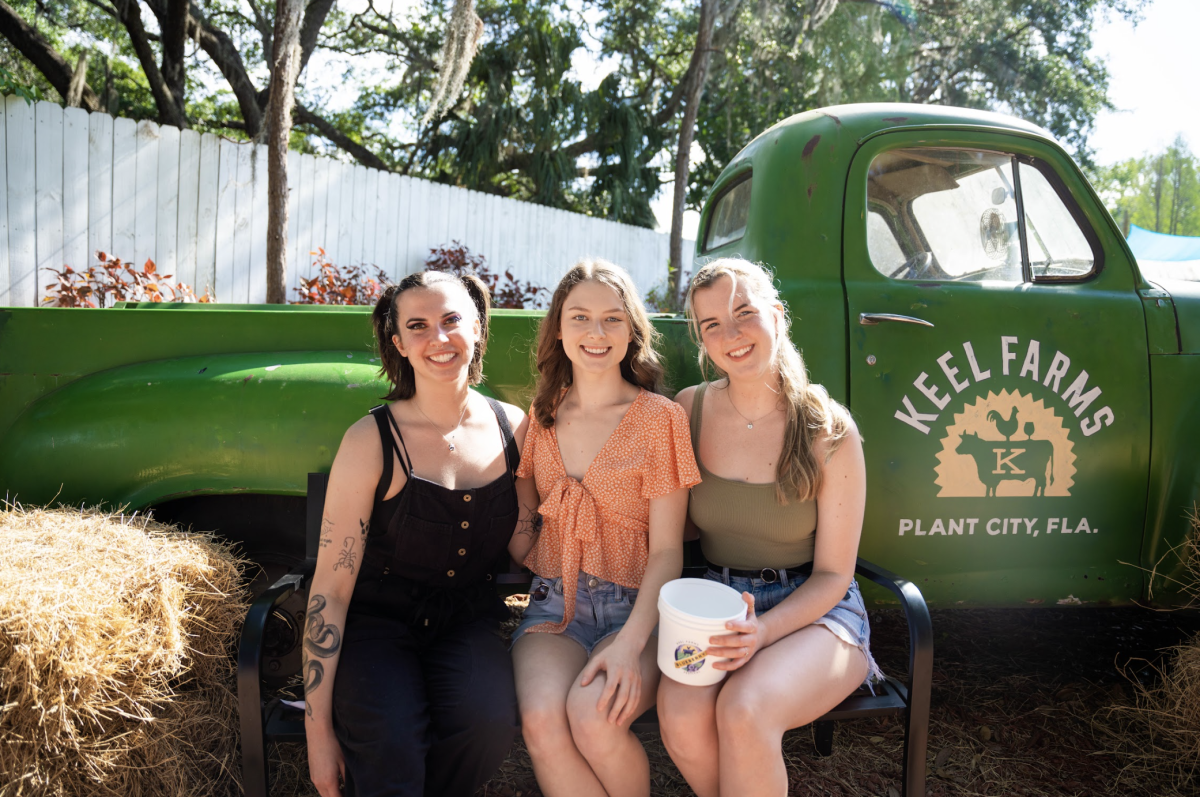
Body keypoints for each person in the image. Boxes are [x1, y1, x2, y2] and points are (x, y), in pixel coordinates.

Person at [657, 257, 884, 797]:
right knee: (682, 719)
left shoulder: (828, 429)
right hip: (716, 607)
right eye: (712, 325)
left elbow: (833, 575)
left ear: (777, 316)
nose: (731, 335)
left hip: (817, 613)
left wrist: (763, 632)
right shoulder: (687, 410)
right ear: (702, 341)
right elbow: (669, 529)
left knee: (744, 709)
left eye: (744, 313)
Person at [303, 270, 530, 797]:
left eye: (452, 319)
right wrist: (318, 735)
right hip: (376, 626)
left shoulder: (513, 427)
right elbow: (331, 591)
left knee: (488, 725)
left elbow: (527, 543)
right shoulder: (370, 440)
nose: (439, 338)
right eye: (418, 326)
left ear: (477, 326)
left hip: (467, 623)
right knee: (391, 744)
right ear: (399, 343)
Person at [509, 259, 701, 797]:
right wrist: (527, 543)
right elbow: (525, 494)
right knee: (543, 723)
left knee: (593, 716)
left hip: (635, 609)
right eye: (580, 317)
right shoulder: (542, 416)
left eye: (613, 319)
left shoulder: (659, 418)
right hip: (554, 604)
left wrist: (629, 645)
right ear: (559, 329)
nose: (596, 333)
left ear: (632, 331)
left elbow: (667, 553)